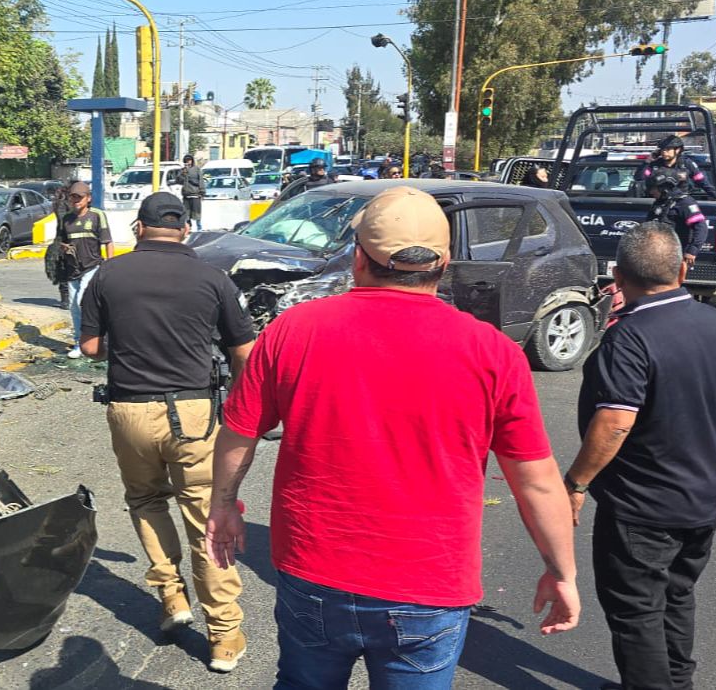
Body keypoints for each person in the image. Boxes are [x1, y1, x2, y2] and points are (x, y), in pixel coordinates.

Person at [205, 186, 580, 689]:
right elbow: (536, 482)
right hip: (428, 585)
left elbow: (239, 432)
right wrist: (562, 571)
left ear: (359, 257)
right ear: (444, 262)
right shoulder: (493, 352)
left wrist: (222, 506)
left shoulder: (294, 330)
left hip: (314, 570)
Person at [78, 192, 256, 672]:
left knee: (145, 501)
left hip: (129, 412)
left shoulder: (107, 275)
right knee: (206, 517)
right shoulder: (213, 278)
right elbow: (244, 349)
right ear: (185, 228)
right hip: (194, 414)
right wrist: (240, 403)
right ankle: (223, 636)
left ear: (140, 228)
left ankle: (172, 596)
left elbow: (91, 347)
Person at [568, 222, 716, 690]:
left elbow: (615, 422)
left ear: (617, 275)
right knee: (677, 593)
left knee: (636, 610)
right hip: (702, 496)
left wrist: (576, 483)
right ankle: (677, 682)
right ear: (684, 268)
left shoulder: (629, 337)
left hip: (642, 508)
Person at [59, 182, 112, 359]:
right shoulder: (66, 219)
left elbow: (107, 242)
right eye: (73, 197)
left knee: (83, 300)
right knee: (74, 306)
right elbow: (60, 241)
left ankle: (98, 337)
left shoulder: (97, 216)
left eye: (79, 197)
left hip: (93, 266)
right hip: (73, 269)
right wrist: (64, 248)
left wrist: (110, 265)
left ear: (88, 198)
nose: (75, 200)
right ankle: (79, 342)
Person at [644, 169, 707, 266]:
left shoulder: (685, 202)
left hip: (675, 255)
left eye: (653, 188)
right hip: (656, 254)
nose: (651, 192)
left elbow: (700, 227)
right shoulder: (660, 203)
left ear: (664, 188)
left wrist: (692, 250)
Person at [637, 135, 716, 199]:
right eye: (662, 149)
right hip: (659, 202)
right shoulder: (654, 165)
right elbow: (640, 178)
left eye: (668, 149)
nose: (664, 152)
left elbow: (702, 182)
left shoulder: (687, 164)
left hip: (681, 203)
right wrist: (647, 161)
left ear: (677, 150)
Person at [50, 183, 72, 309]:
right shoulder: (61, 205)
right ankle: (65, 299)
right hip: (62, 240)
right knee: (64, 269)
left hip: (73, 239)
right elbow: (63, 223)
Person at [177, 154, 206, 230]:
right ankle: (188, 228)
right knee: (186, 214)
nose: (188, 162)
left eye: (189, 160)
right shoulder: (182, 170)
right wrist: (183, 174)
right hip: (186, 195)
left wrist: (202, 192)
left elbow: (201, 181)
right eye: (186, 161)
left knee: (197, 214)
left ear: (192, 161)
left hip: (195, 195)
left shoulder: (197, 169)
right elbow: (179, 181)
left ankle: (199, 228)